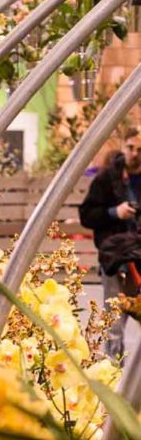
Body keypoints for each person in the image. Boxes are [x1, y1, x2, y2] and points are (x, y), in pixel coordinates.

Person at [79, 140, 141, 358]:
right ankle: (113, 373)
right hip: (116, 258)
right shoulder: (106, 179)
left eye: (140, 150)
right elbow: (87, 214)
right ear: (124, 147)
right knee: (114, 320)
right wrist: (115, 212)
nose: (135, 154)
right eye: (131, 148)